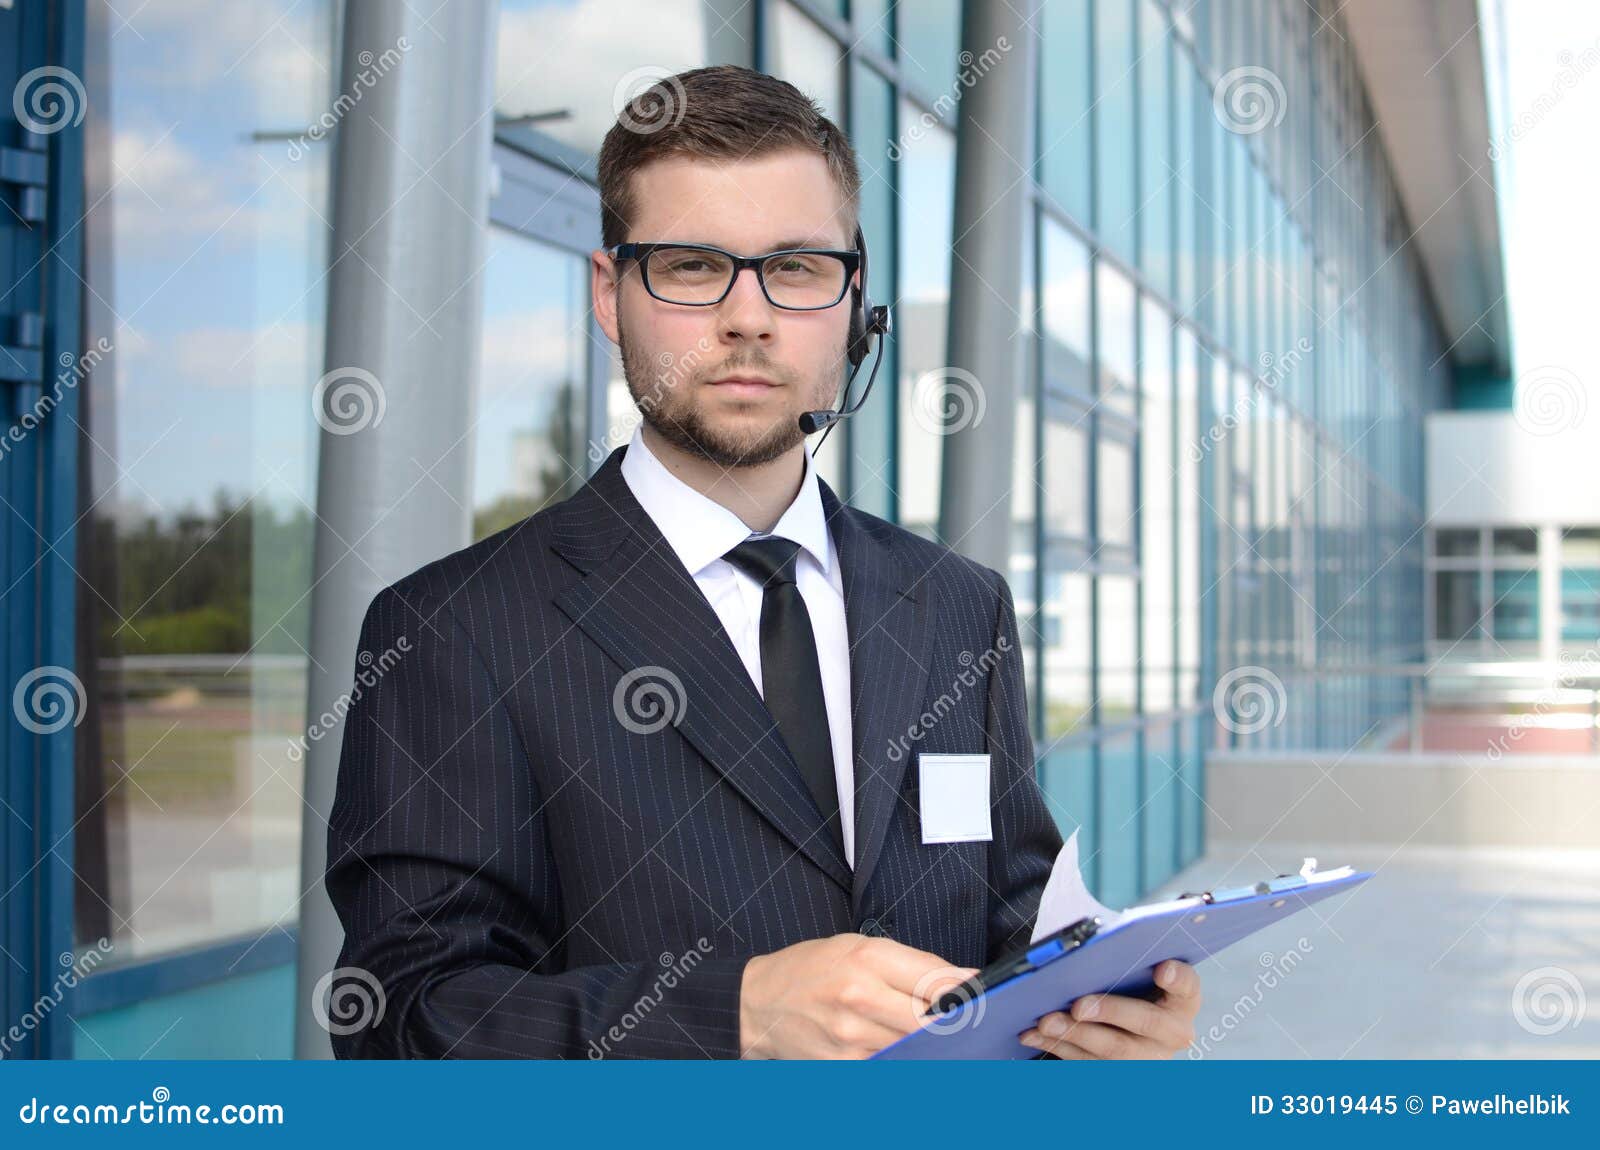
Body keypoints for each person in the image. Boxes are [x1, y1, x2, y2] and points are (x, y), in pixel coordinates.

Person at [325, 63, 1200, 1060]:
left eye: (794, 267)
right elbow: (403, 1020)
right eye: (693, 267)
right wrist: (732, 1015)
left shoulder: (957, 605)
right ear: (611, 294)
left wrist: (1099, 1012)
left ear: (853, 298)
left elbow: (1012, 928)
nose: (749, 317)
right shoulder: (455, 629)